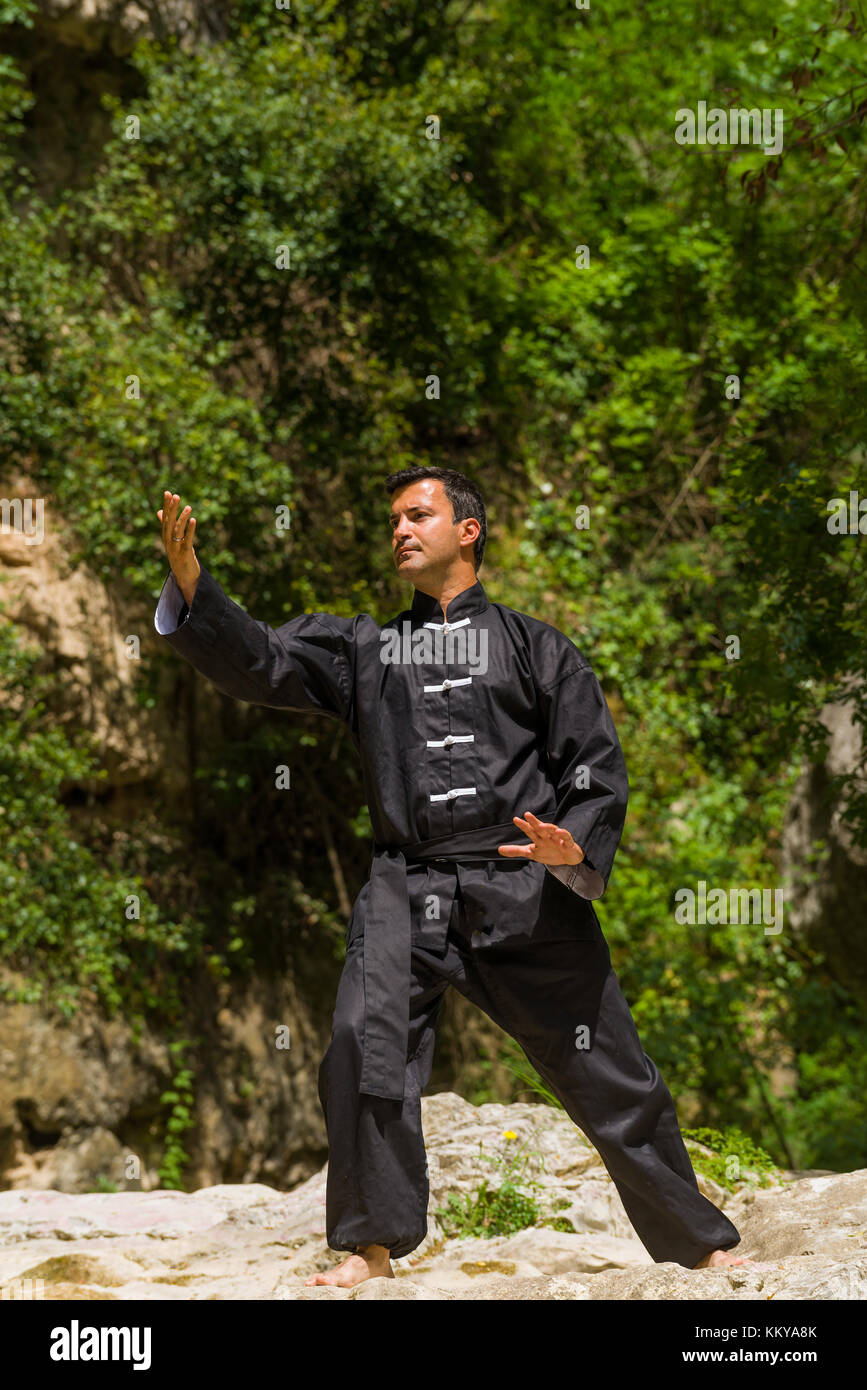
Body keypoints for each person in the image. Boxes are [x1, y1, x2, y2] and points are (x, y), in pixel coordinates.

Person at [154, 467, 759, 1287]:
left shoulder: (536, 648)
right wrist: (193, 585)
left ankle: (697, 1242)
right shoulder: (366, 649)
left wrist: (574, 847)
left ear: (467, 531)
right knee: (360, 1046)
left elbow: (592, 763)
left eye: (418, 515)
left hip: (523, 887)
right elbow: (263, 660)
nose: (400, 531)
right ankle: (370, 1248)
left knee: (607, 1066)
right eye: (393, 520)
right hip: (405, 891)